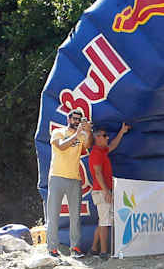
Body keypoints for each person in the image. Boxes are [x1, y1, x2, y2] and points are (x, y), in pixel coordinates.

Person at [46, 109, 89, 258]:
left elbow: (87, 145)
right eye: (75, 118)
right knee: (53, 214)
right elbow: (61, 146)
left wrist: (87, 131)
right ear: (68, 118)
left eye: (79, 119)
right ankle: (52, 248)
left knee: (75, 216)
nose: (77, 121)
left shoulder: (81, 135)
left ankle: (75, 248)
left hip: (75, 178)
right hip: (57, 176)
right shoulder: (58, 132)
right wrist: (76, 135)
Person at [86, 122, 130, 257]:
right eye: (104, 136)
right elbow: (97, 173)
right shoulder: (96, 153)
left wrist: (122, 132)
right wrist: (106, 191)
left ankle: (94, 249)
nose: (107, 138)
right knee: (105, 222)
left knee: (103, 221)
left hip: (101, 190)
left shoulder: (101, 151)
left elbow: (112, 146)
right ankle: (104, 252)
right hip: (101, 191)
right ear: (97, 138)